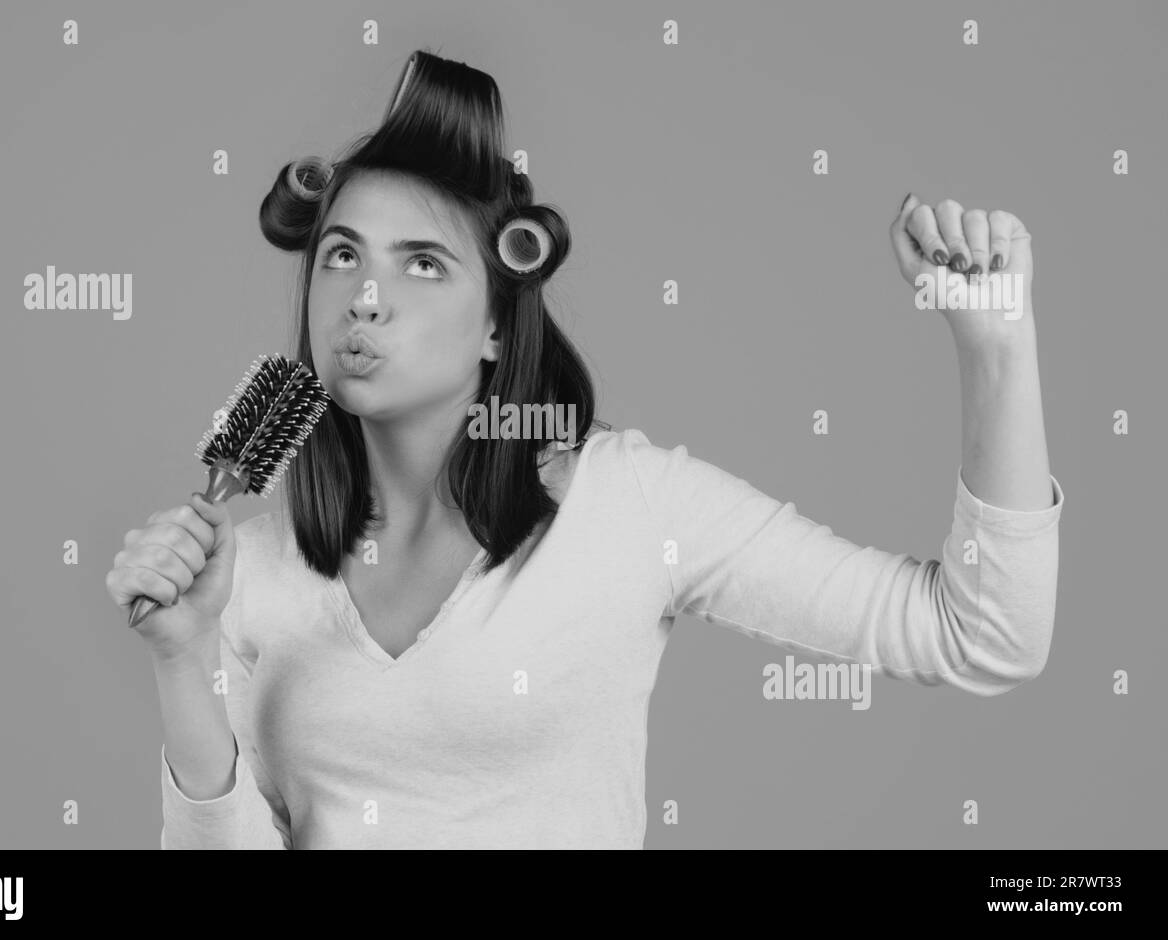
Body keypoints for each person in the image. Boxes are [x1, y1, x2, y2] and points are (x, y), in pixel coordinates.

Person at [105, 49, 1064, 849]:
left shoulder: (627, 507)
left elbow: (981, 635)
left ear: (493, 323)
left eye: (423, 263)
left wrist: (997, 349)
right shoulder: (252, 572)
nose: (363, 297)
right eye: (342, 254)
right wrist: (184, 662)